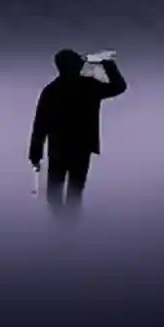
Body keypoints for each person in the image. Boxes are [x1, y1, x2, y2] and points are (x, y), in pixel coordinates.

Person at [28, 49, 127, 216]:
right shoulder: (88, 86)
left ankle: (57, 228)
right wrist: (107, 63)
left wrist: (35, 153)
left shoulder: (51, 91)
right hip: (82, 148)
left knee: (54, 192)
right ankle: (71, 230)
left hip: (58, 148)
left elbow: (40, 124)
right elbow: (119, 87)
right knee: (75, 191)